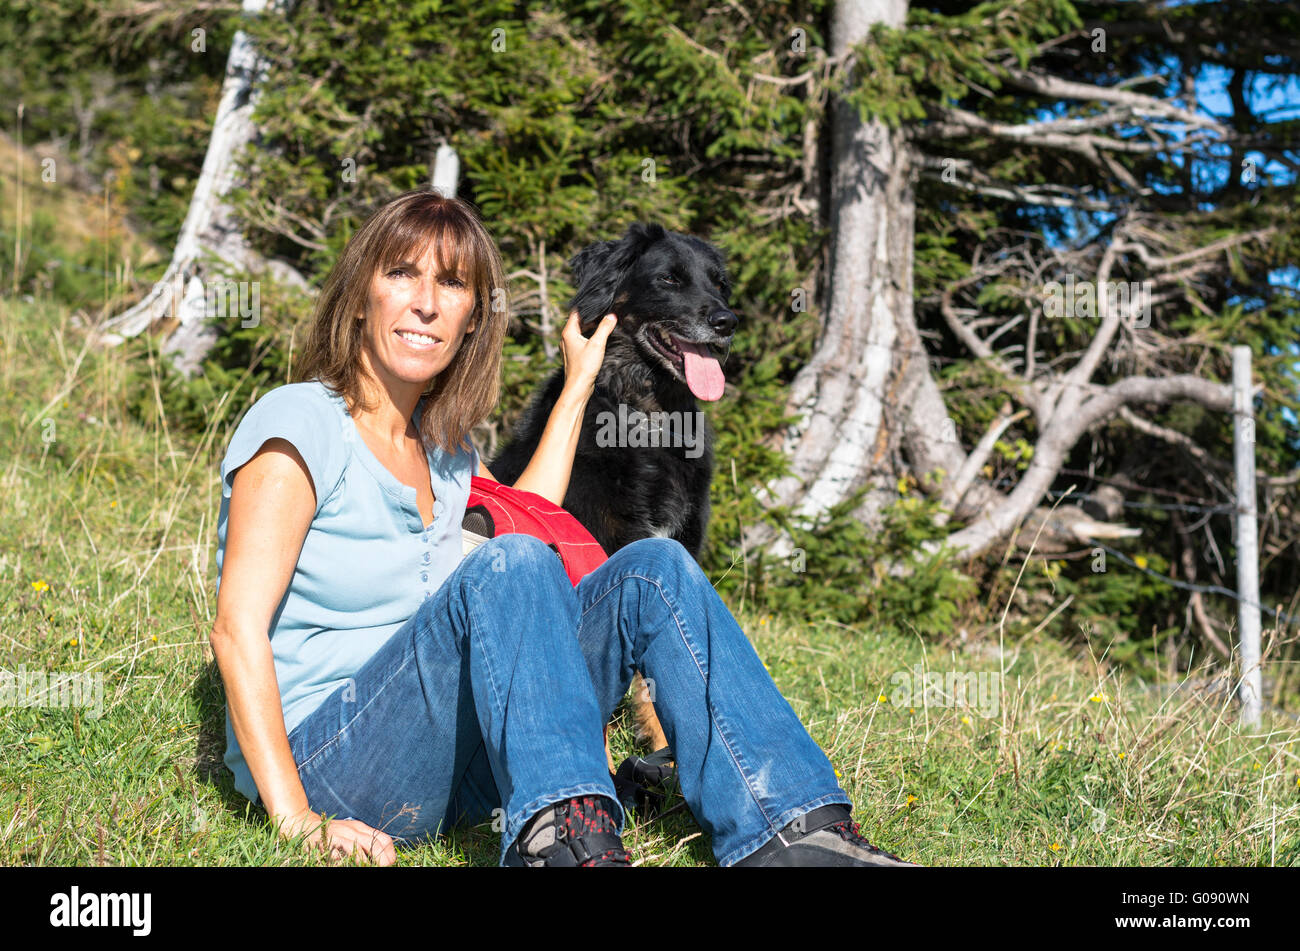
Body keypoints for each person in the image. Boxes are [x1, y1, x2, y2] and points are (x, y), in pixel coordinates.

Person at [209, 186, 917, 867]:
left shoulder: (444, 448)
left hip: (445, 770)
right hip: (331, 766)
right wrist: (298, 819)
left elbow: (531, 523)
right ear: (360, 296)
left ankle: (796, 830)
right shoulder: (300, 419)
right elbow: (236, 630)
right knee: (513, 562)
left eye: (452, 286)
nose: (426, 304)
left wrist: (578, 379)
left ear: (471, 319)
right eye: (402, 274)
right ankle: (569, 842)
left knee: (655, 569)